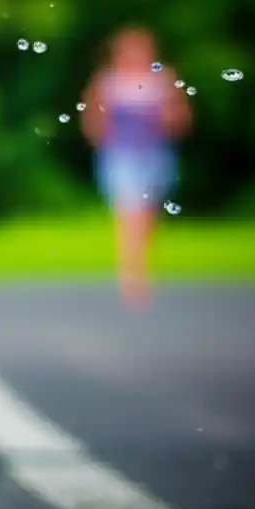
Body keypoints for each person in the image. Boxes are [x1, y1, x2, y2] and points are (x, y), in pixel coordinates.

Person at [81, 27, 192, 310]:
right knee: (128, 210)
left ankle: (139, 263)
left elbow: (180, 117)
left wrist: (170, 119)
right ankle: (132, 271)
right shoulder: (108, 81)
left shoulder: (163, 80)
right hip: (120, 153)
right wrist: (101, 138)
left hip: (155, 153)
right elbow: (93, 114)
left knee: (149, 213)